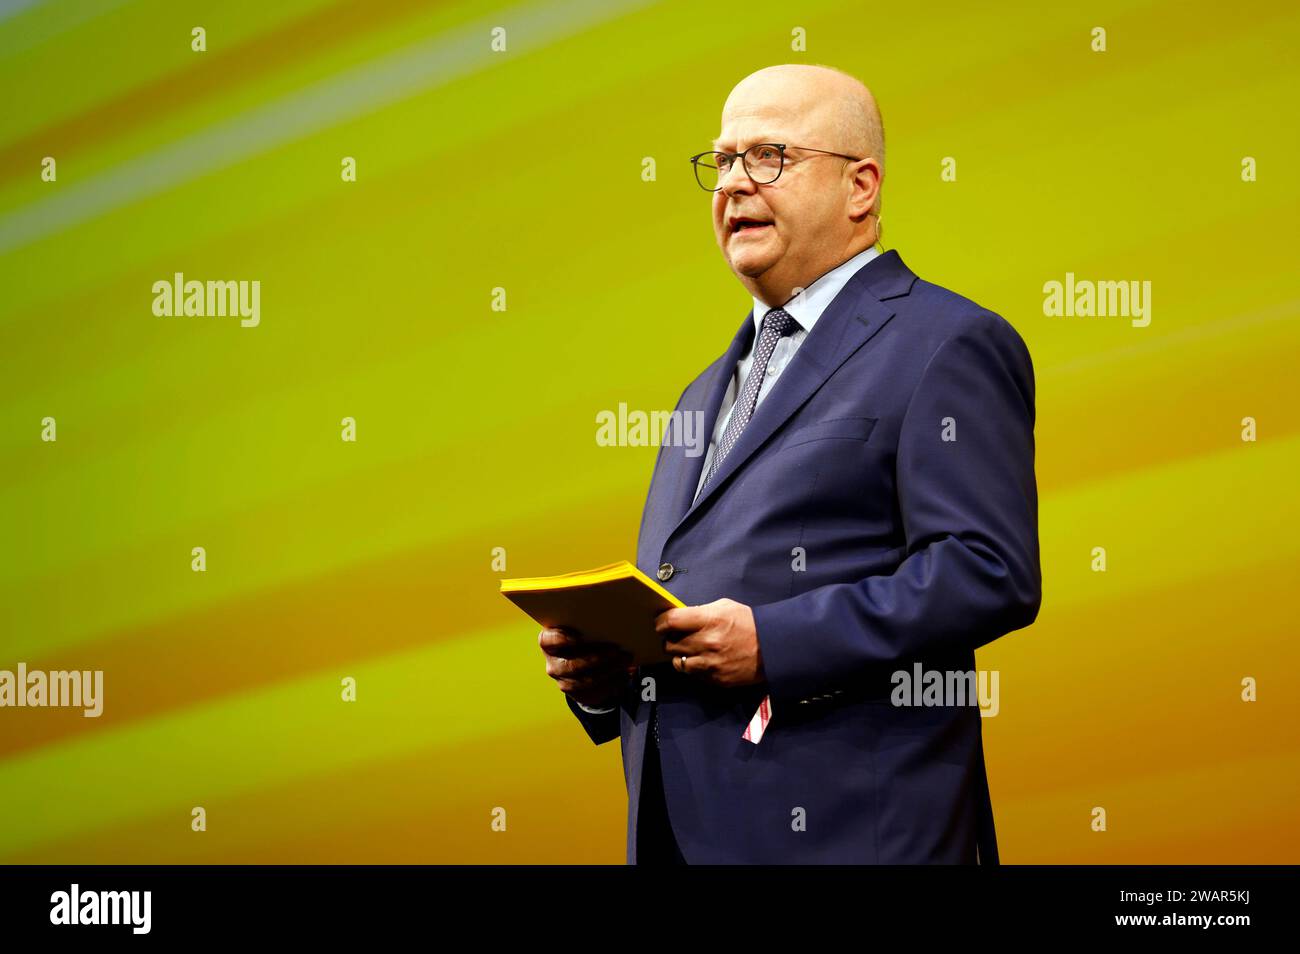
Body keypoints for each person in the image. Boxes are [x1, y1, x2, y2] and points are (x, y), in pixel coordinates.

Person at [540, 63, 1040, 864]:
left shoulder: (945, 342)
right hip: (683, 834)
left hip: (856, 835)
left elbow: (987, 571)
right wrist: (611, 676)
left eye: (769, 156)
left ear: (861, 188)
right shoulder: (702, 394)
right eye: (722, 160)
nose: (734, 184)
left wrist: (775, 642)